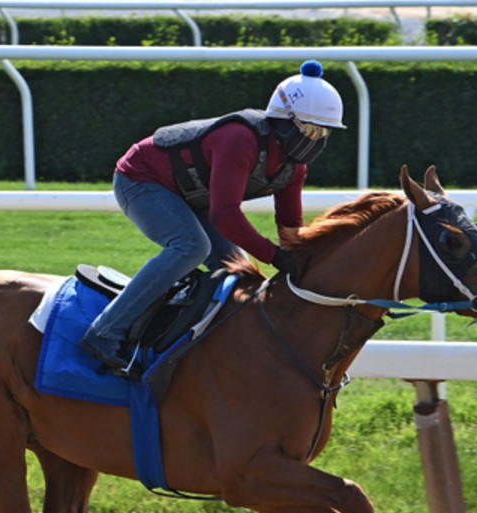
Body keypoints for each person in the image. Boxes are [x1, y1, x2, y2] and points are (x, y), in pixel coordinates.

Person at [80, 60, 346, 372]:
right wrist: (275, 255)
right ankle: (103, 332)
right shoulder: (240, 140)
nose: (315, 141)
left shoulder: (295, 167)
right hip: (141, 179)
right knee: (191, 247)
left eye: (324, 133)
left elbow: (289, 224)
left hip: (194, 194)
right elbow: (225, 215)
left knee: (238, 271)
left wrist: (300, 256)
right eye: (310, 130)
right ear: (284, 121)